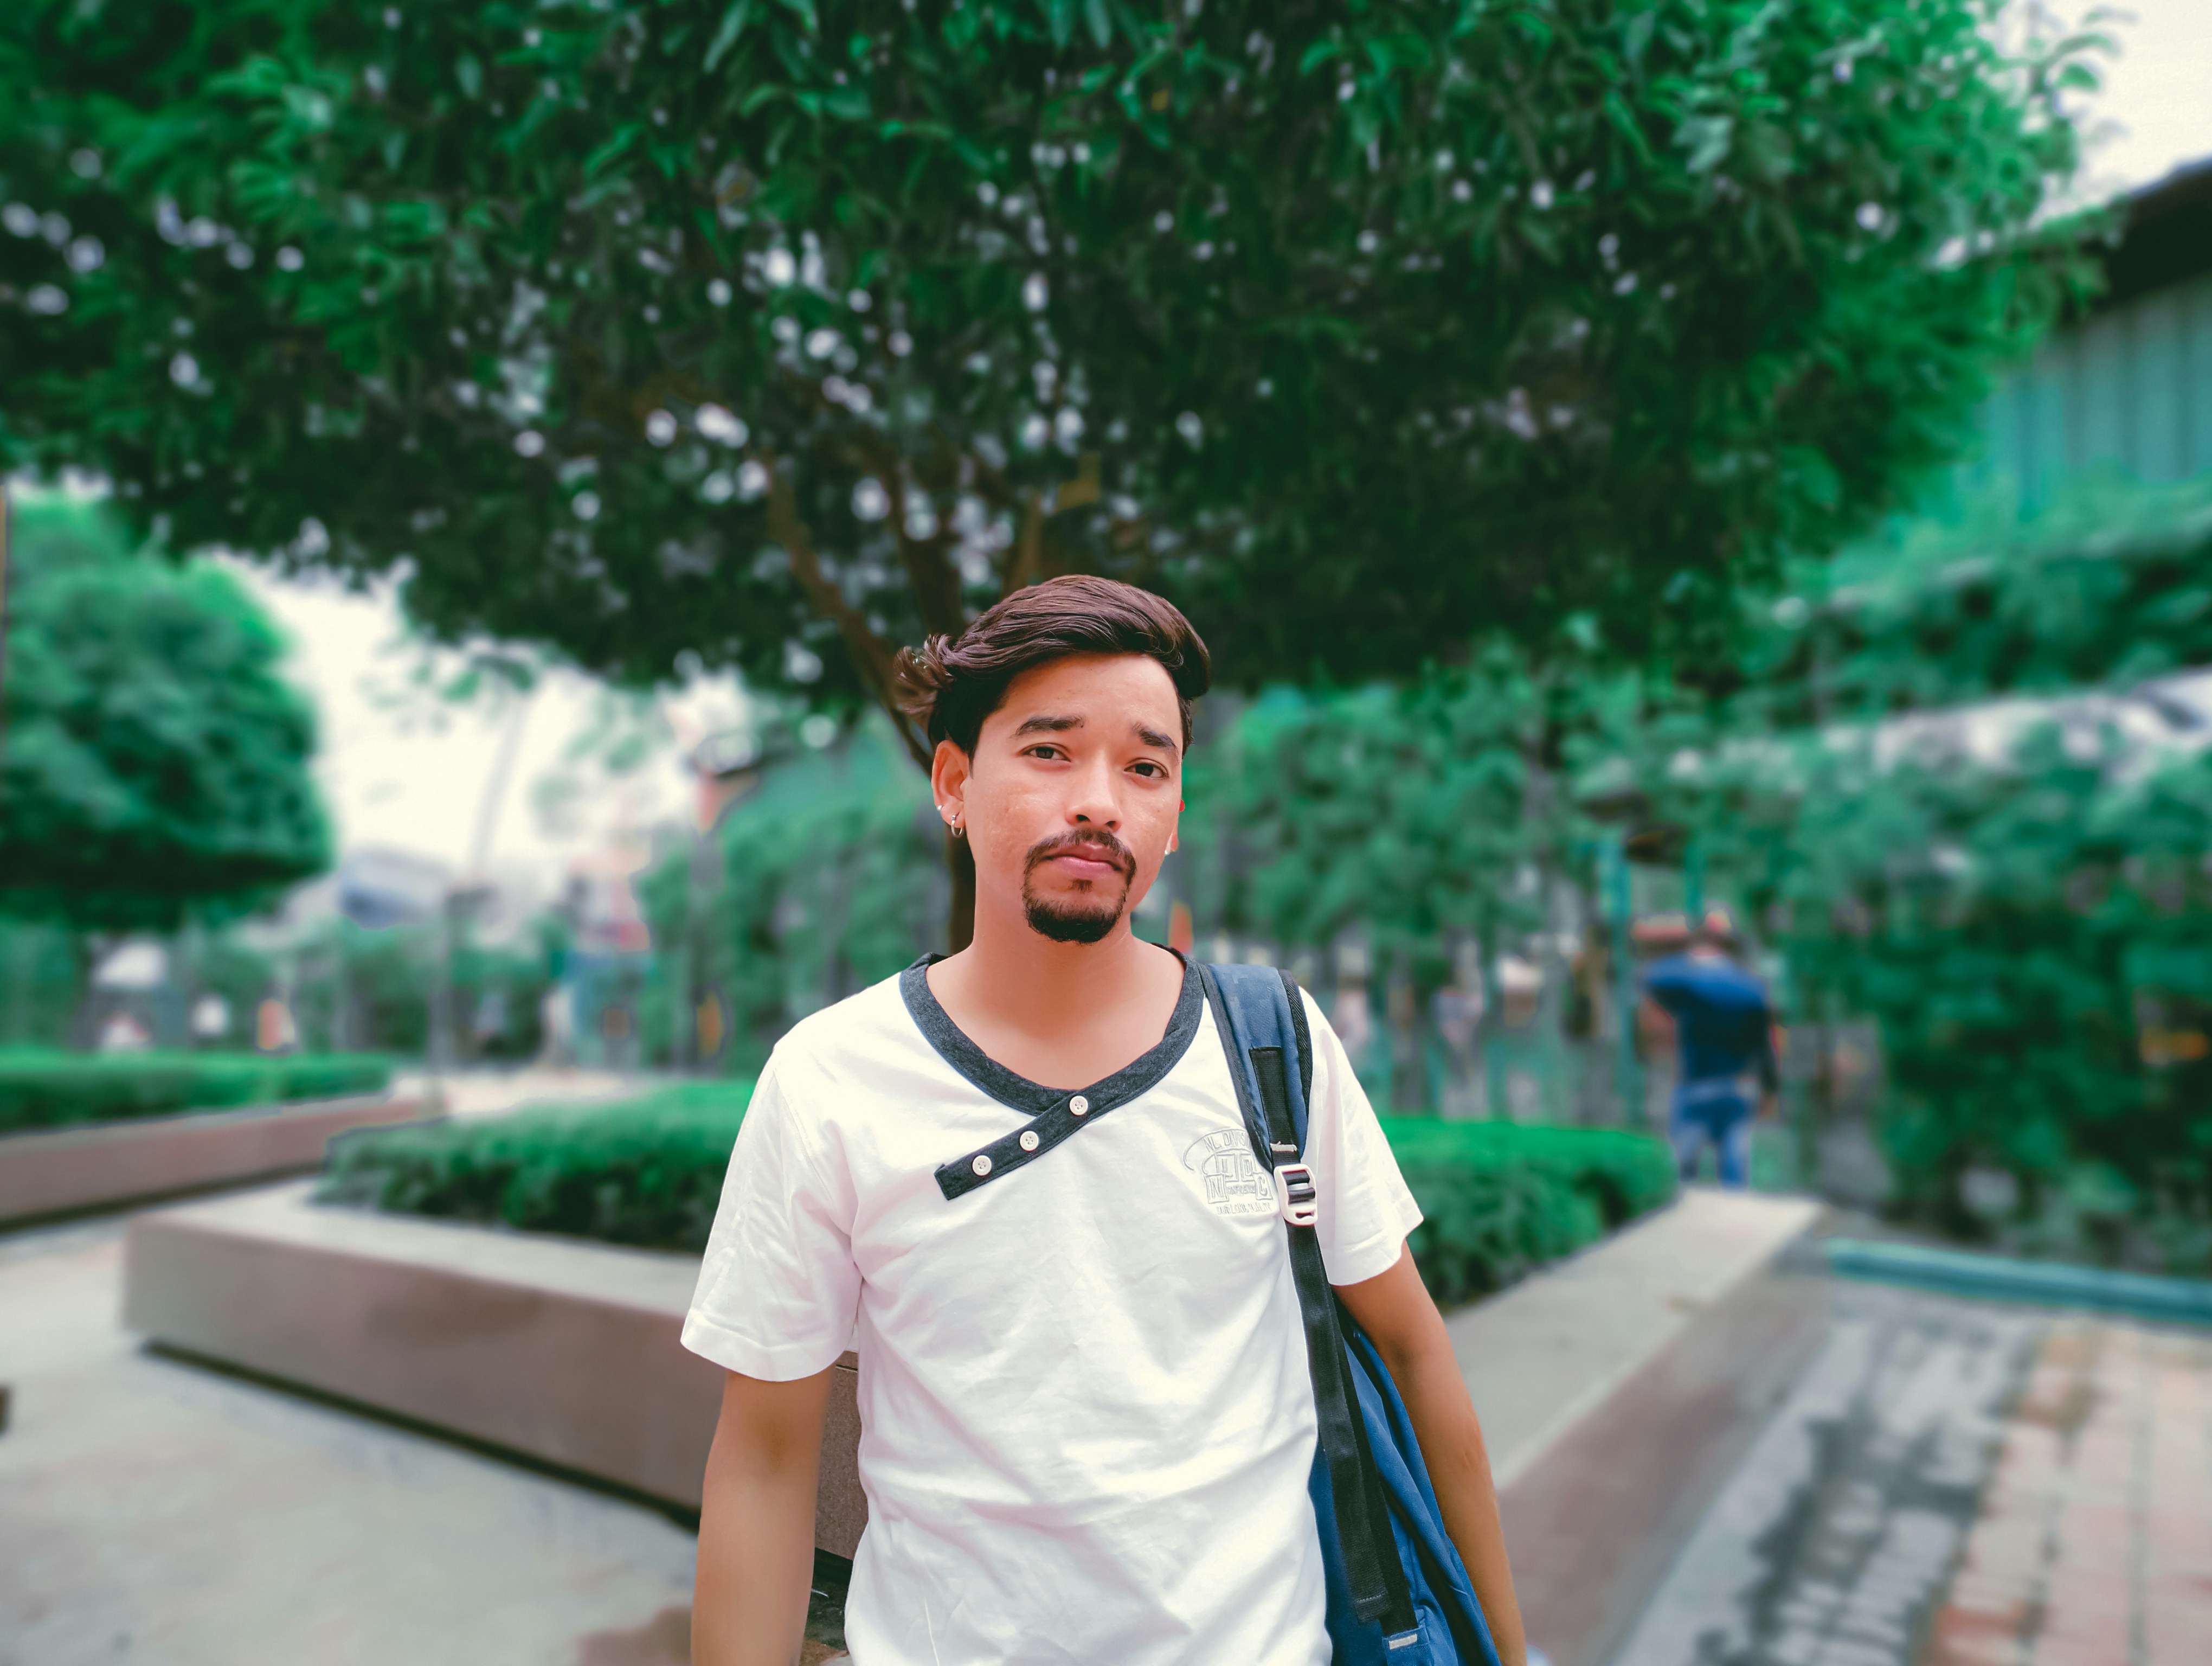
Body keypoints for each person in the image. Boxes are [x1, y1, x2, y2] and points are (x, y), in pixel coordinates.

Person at [684, 575, 1528, 1666]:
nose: (1101, 800)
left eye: (1146, 766)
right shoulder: (831, 1079)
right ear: (952, 781)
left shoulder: (1273, 1042)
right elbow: (761, 1462)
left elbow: (1415, 1356)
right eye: (1048, 751)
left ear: (1175, 815)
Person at [1641, 913, 1780, 1189]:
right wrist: (1770, 1088)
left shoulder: (1690, 982)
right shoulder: (1751, 988)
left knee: (1682, 1167)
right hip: (1739, 1087)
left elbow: (1652, 978)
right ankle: (1736, 1224)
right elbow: (1764, 1046)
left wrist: (1695, 960)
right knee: (1734, 1169)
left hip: (1696, 1086)